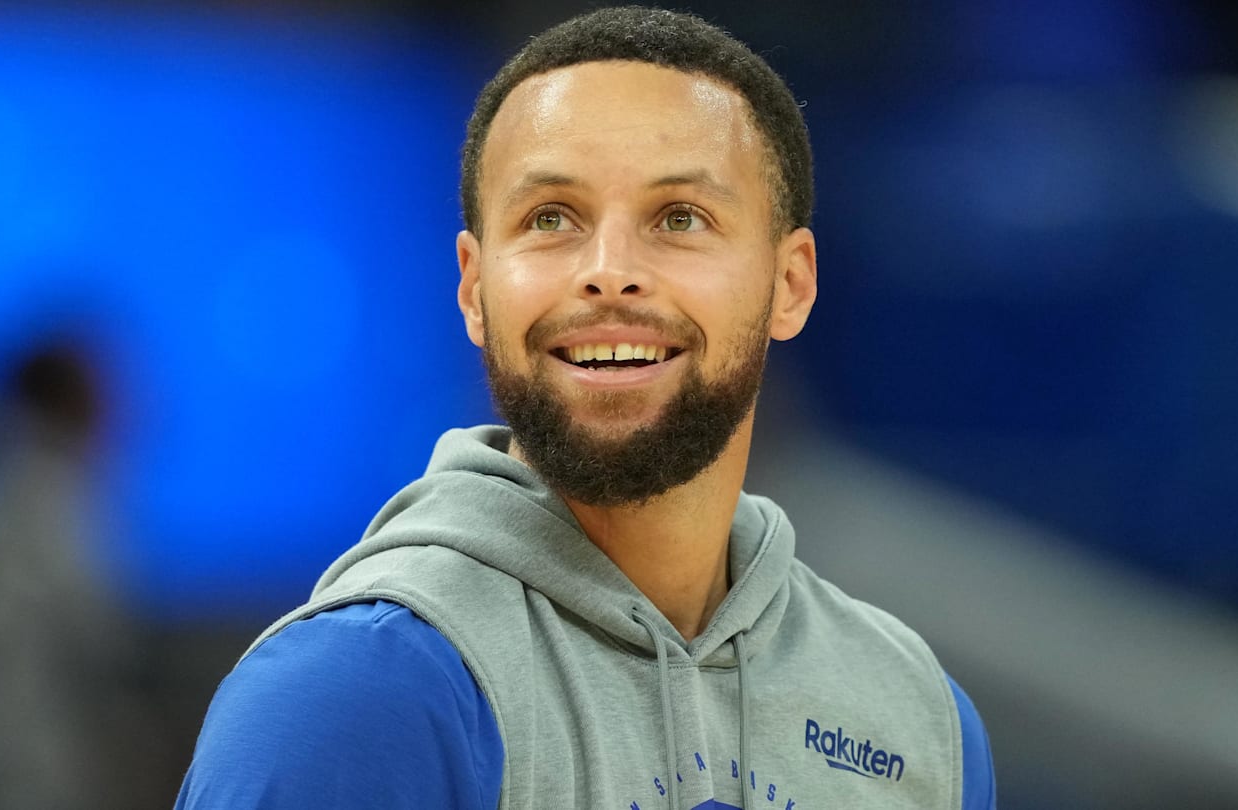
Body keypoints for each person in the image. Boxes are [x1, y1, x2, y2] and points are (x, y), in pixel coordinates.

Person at [176, 6, 995, 809]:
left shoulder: (919, 718)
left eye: (680, 218)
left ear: (791, 285)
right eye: (551, 218)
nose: (608, 271)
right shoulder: (359, 696)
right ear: (473, 287)